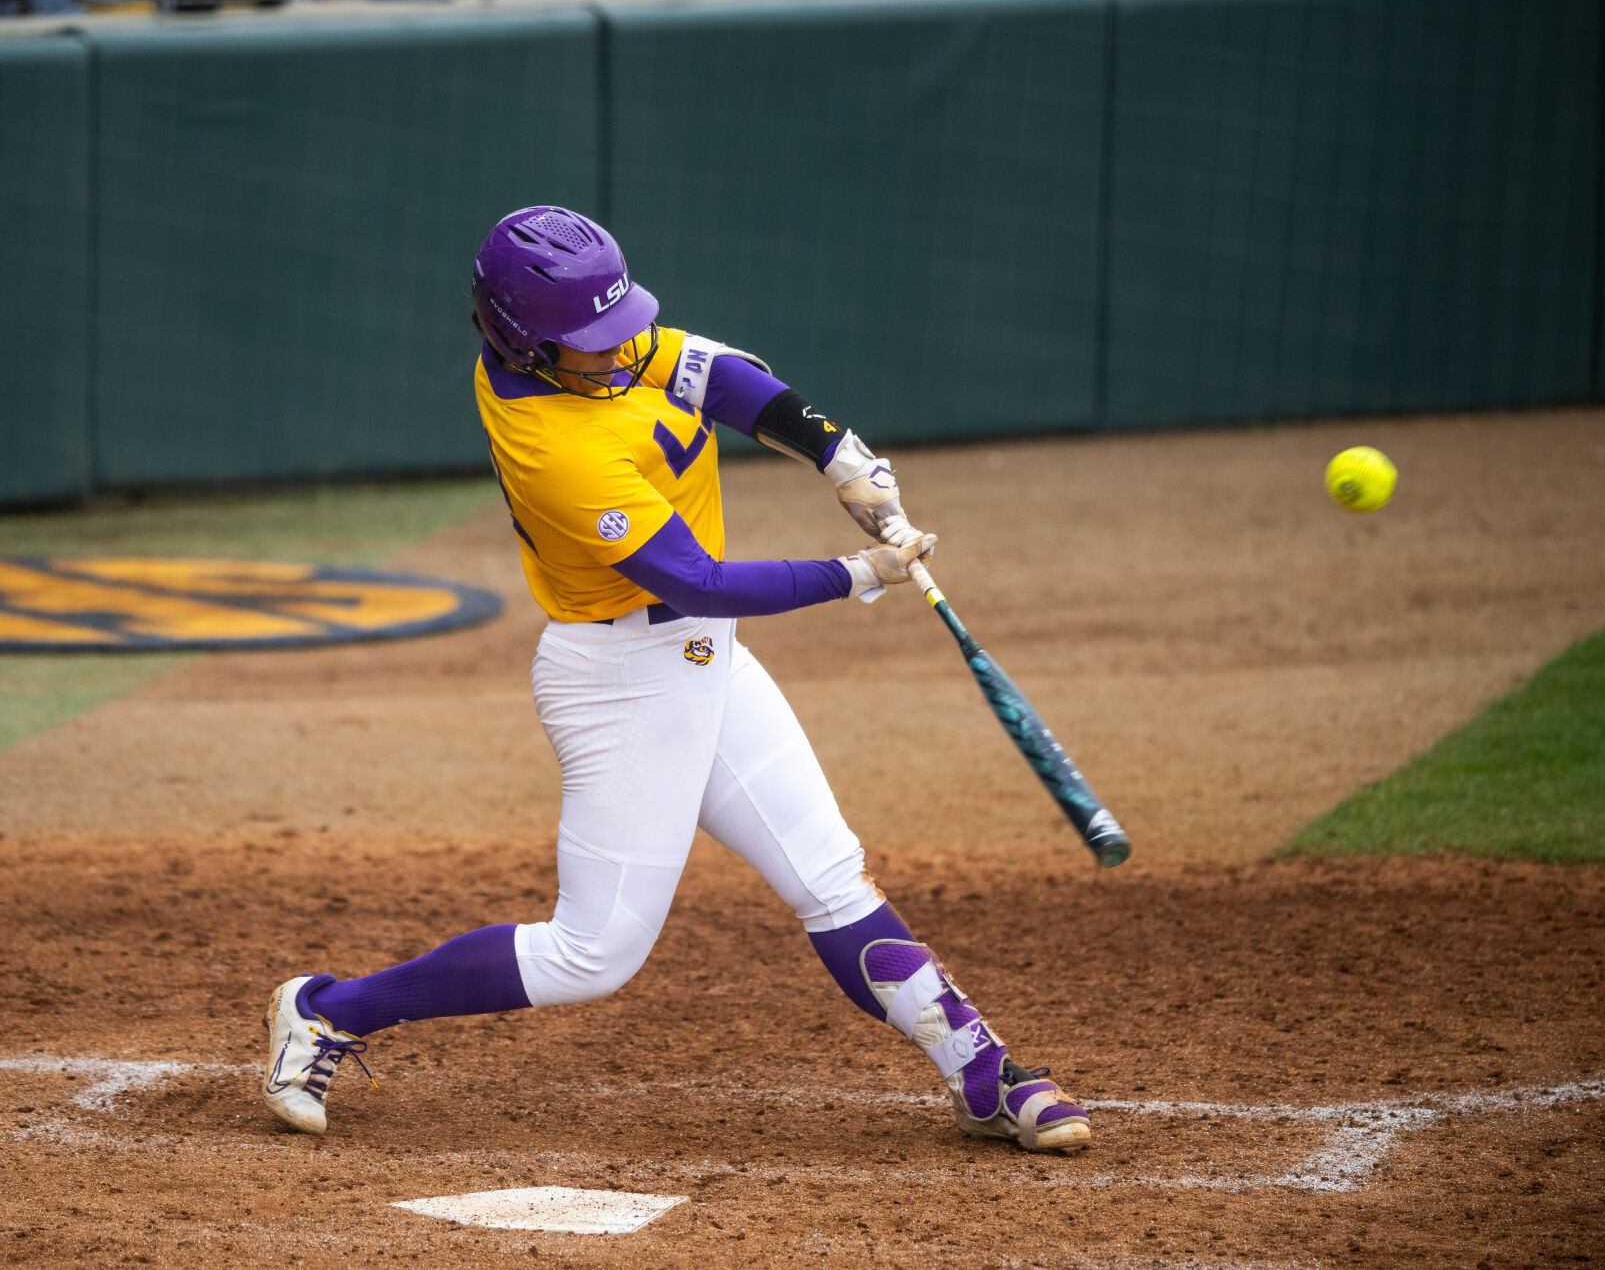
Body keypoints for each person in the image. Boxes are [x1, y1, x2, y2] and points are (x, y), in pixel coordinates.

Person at [260, 205, 1092, 1154]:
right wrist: (858, 574)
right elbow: (694, 580)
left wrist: (835, 452)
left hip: (701, 658)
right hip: (620, 678)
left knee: (830, 876)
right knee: (591, 954)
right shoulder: (555, 447)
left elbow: (718, 373)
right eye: (595, 344)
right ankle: (328, 1009)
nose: (624, 353)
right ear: (524, 343)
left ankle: (981, 1076)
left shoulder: (591, 341)